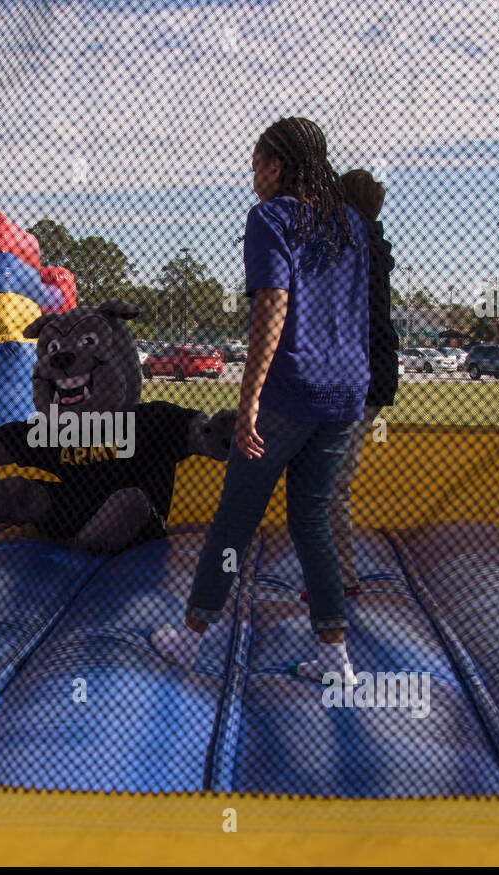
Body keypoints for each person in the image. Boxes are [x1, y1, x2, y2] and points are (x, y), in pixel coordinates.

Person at [155, 118, 369, 686]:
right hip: (345, 394)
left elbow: (272, 306)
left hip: (289, 392)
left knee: (235, 519)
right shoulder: (349, 223)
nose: (254, 179)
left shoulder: (271, 218)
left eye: (257, 166)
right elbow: (354, 310)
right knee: (312, 521)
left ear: (277, 167)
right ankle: (335, 655)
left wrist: (248, 400)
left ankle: (191, 638)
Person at [321, 169, 396, 597]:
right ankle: (338, 576)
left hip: (361, 379)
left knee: (332, 483)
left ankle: (340, 580)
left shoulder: (355, 246)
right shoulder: (367, 243)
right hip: (366, 377)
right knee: (329, 480)